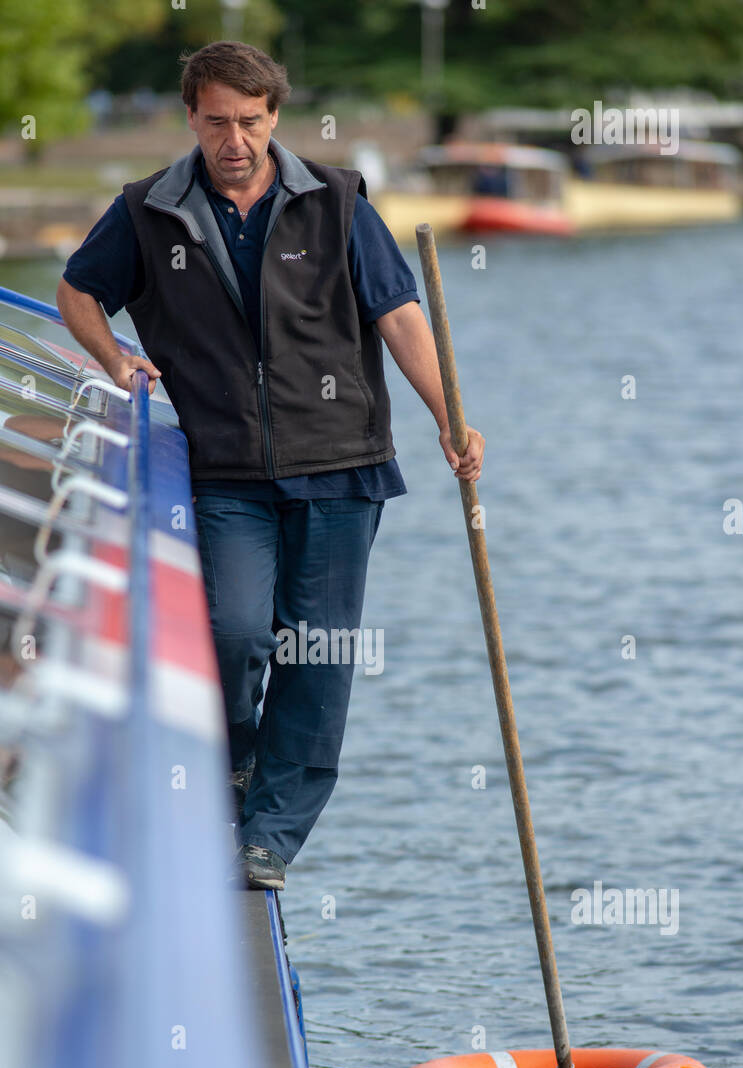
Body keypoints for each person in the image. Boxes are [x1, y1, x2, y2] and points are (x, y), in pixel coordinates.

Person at [56, 40, 484, 890]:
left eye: (250, 122)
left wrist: (451, 420)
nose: (235, 141)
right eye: (217, 122)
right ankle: (235, 771)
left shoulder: (335, 203)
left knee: (316, 652)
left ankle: (270, 836)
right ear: (191, 118)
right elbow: (77, 289)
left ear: (274, 117)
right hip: (222, 469)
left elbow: (398, 316)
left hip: (342, 463)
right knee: (236, 632)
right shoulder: (147, 211)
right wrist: (115, 359)